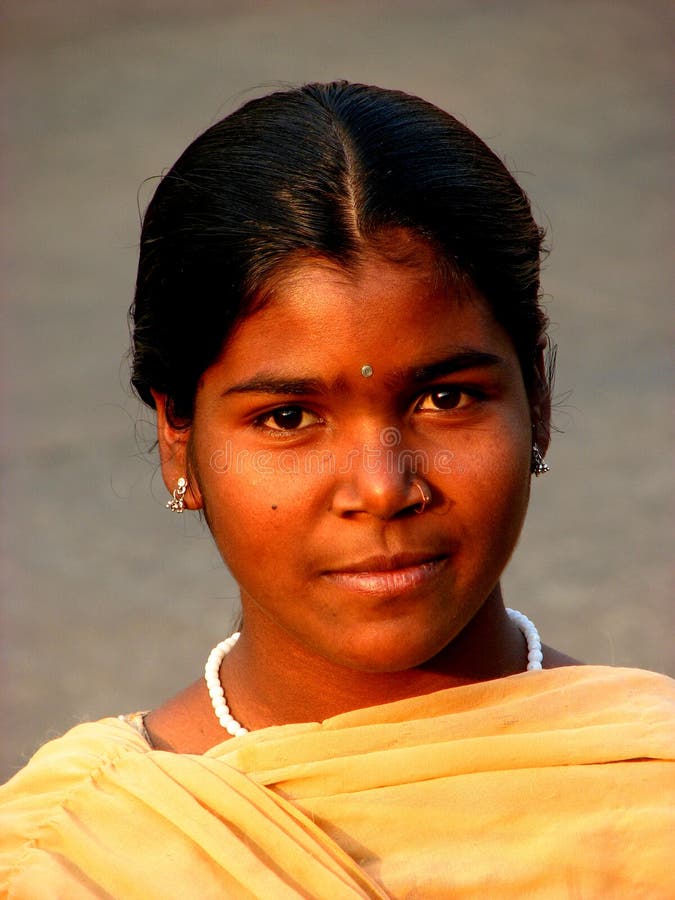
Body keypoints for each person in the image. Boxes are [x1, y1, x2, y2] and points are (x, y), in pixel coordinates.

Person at [1, 81, 673, 898]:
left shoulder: (651, 786)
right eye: (287, 417)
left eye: (445, 398)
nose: (382, 488)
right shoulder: (76, 857)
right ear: (179, 436)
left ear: (534, 399)